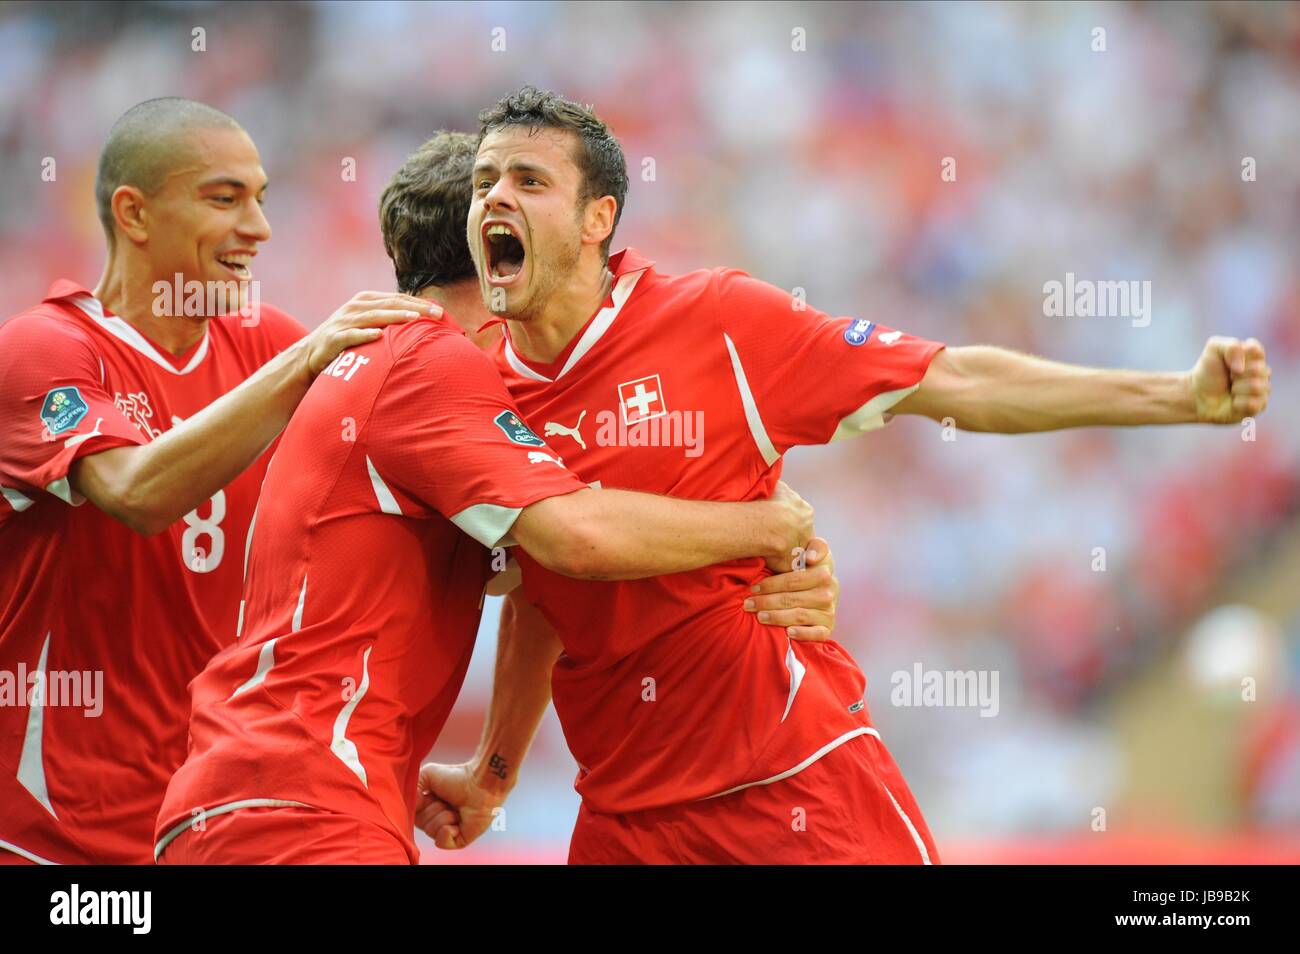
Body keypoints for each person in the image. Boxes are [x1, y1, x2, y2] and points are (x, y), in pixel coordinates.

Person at [408, 87, 1271, 864]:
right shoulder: (480, 389)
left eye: (528, 180)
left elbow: (953, 382)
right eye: (487, 181)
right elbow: (542, 586)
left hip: (794, 787)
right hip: (627, 822)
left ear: (597, 220)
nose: (496, 198)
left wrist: (1179, 397)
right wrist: (496, 769)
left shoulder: (717, 322)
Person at [152, 280, 819, 865]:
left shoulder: (372, 372)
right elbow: (575, 539)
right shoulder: (434, 361)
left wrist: (493, 771)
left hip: (232, 794)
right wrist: (764, 528)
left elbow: (539, 574)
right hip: (308, 806)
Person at [0, 97, 433, 865]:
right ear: (134, 213)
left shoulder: (266, 343)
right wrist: (303, 364)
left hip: (210, 819)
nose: (258, 229)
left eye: (261, 200)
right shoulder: (44, 350)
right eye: (224, 198)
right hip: (49, 835)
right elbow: (137, 493)